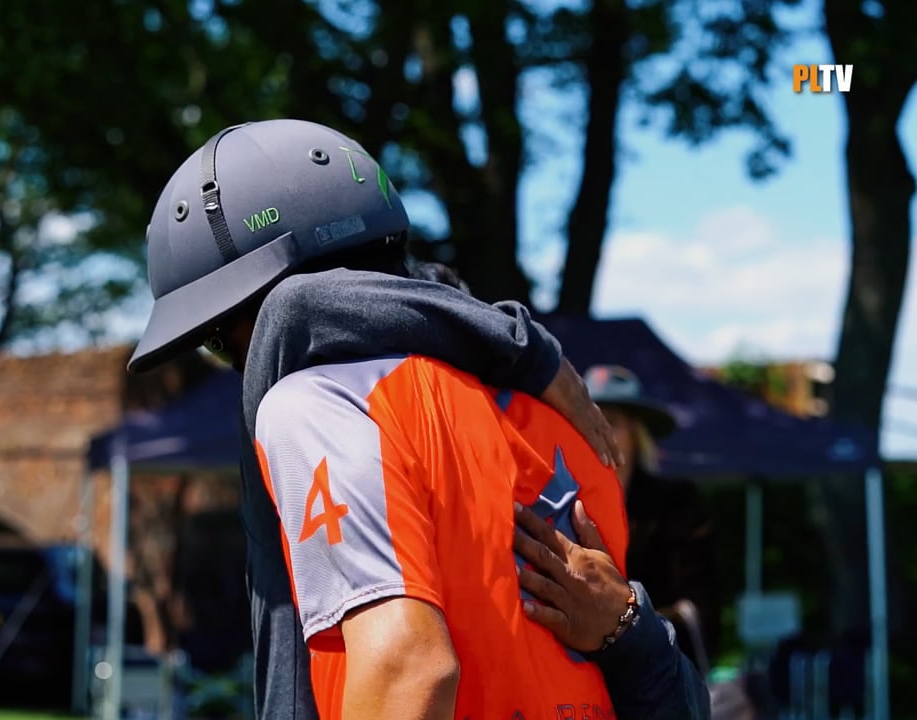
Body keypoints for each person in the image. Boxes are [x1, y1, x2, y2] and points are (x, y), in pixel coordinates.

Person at [128, 118, 708, 719]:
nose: (239, 368)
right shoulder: (564, 419)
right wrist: (629, 628)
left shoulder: (313, 403)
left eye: (219, 339)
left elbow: (408, 667)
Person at [584, 364, 721, 670]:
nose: (598, 432)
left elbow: (701, 606)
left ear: (636, 435)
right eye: (588, 420)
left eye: (611, 422)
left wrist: (626, 624)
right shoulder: (560, 501)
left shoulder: (677, 502)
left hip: (659, 666)